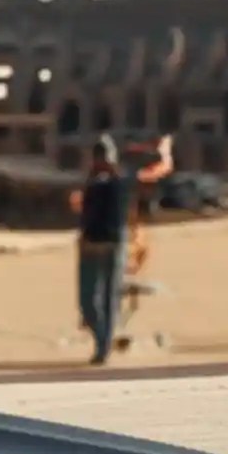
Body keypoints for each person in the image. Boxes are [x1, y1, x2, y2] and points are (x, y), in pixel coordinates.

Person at [74, 134, 174, 365]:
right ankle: (102, 337)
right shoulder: (91, 182)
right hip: (91, 243)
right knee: (89, 302)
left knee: (109, 298)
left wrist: (165, 151)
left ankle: (103, 346)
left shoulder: (123, 179)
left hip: (113, 243)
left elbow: (158, 170)